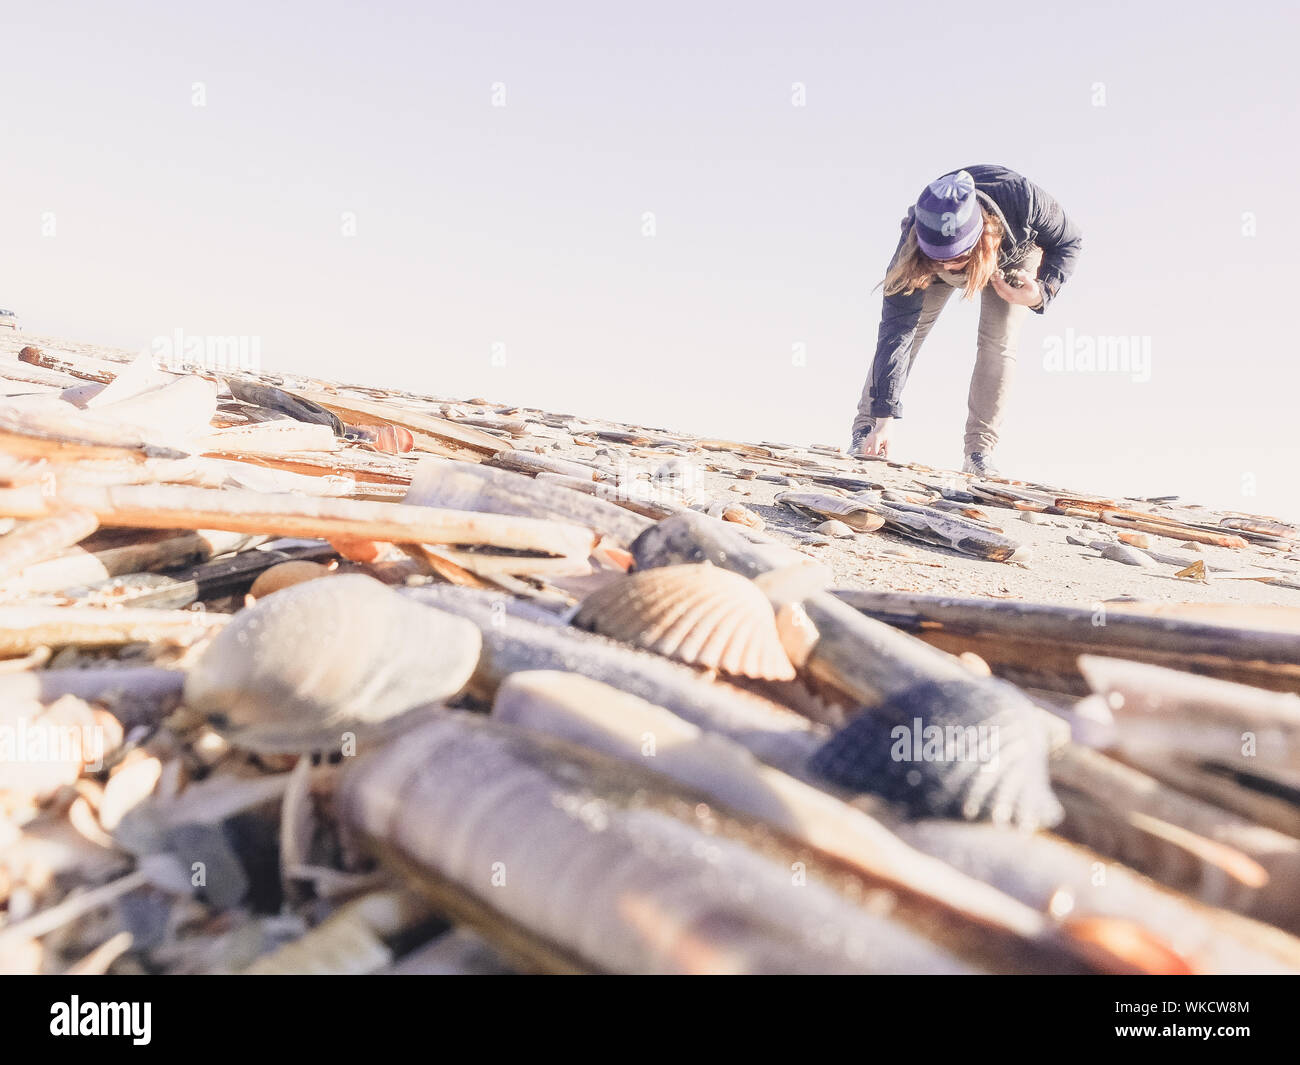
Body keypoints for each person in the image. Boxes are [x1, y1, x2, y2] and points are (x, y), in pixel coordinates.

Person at [850, 165, 1082, 477]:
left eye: (955, 259)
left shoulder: (1024, 200)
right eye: (940, 259)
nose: (950, 266)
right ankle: (865, 431)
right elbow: (895, 336)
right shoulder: (915, 247)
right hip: (929, 261)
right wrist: (882, 420)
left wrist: (1042, 291)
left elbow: (1070, 241)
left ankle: (979, 452)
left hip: (1012, 255)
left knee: (998, 342)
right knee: (910, 334)